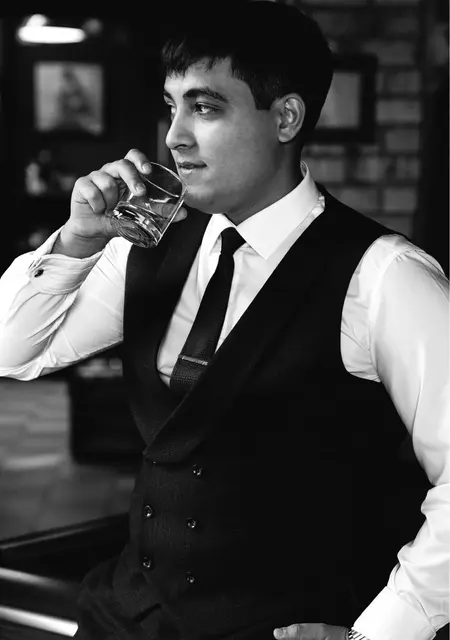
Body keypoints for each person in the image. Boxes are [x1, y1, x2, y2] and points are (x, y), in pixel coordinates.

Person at [0, 2, 448, 639]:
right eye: (171, 105)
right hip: (119, 619)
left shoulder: (386, 276)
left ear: (286, 118)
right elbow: (11, 352)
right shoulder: (145, 242)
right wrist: (74, 242)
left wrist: (381, 633)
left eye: (205, 108)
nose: (174, 136)